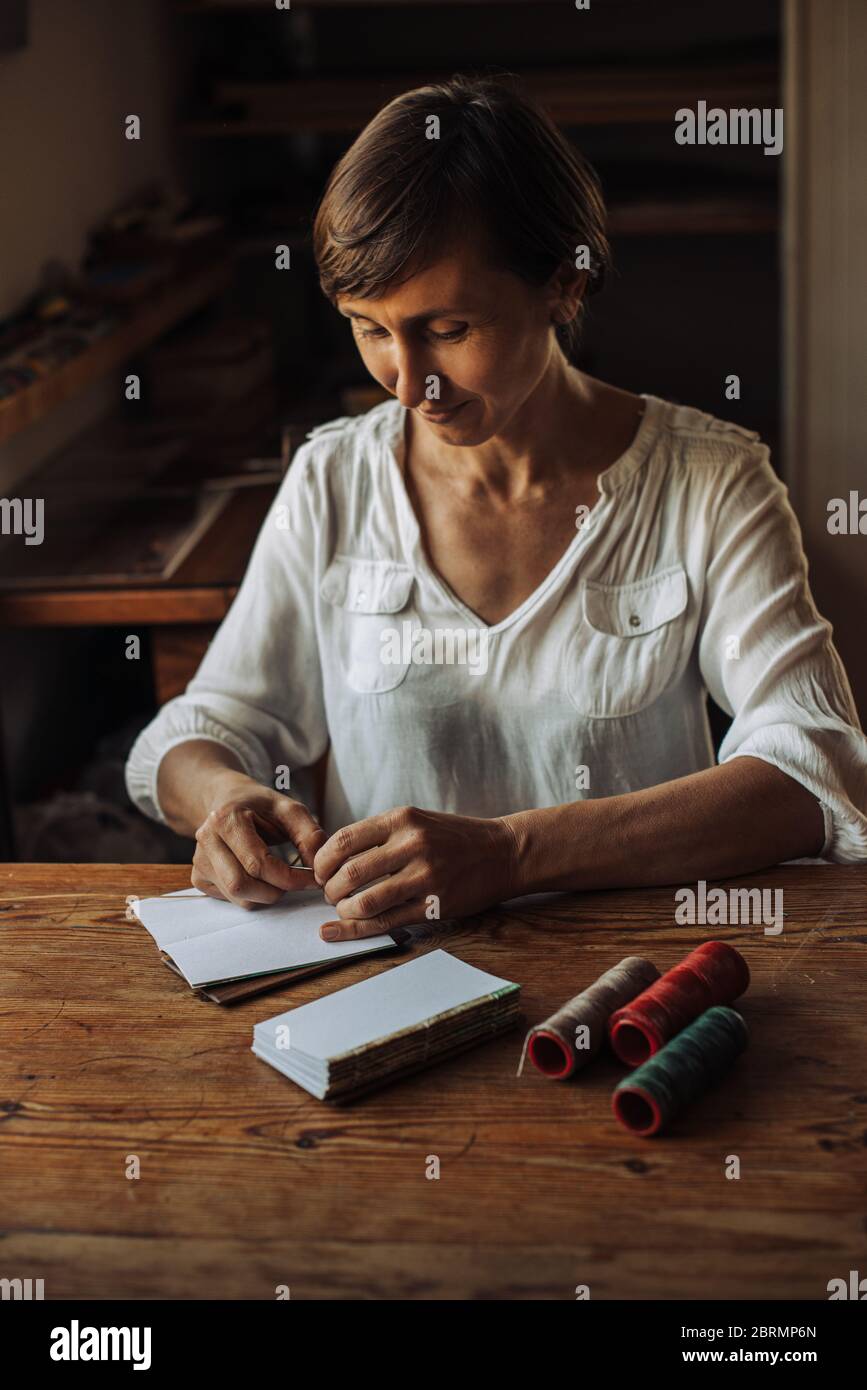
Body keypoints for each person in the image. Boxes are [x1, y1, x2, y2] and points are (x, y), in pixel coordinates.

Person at [125, 74, 867, 941]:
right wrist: (225, 797)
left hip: (632, 987)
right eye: (369, 328)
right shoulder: (333, 480)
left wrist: (514, 854)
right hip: (374, 990)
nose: (408, 384)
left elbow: (812, 766)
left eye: (447, 330)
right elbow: (202, 728)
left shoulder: (710, 481)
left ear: (563, 287)